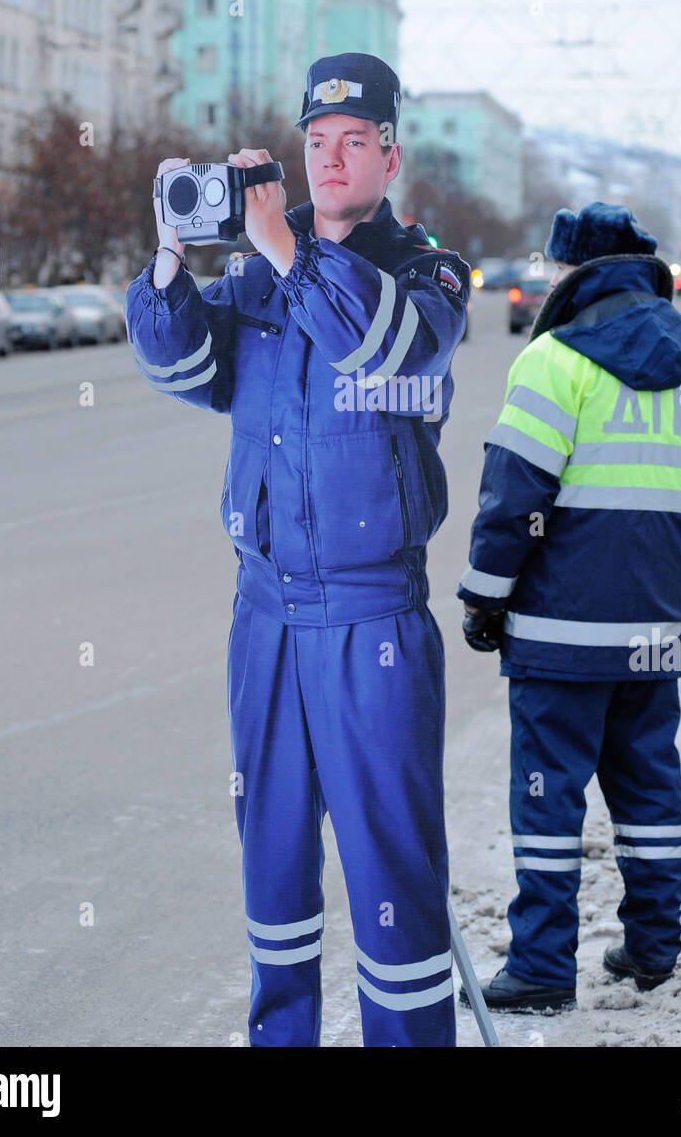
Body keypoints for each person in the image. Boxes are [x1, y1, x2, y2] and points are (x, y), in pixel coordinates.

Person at [125, 53, 471, 1047]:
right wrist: (169, 263)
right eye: (315, 144)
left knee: (391, 875)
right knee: (273, 858)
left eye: (353, 142)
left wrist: (280, 245)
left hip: (373, 623)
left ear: (389, 156)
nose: (330, 160)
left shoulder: (427, 272)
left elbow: (384, 343)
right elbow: (189, 369)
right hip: (267, 617)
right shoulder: (259, 273)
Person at [456, 202, 681, 1012]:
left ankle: (543, 967)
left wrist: (484, 597)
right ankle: (653, 946)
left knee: (547, 796)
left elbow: (513, 496)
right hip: (653, 635)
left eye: (551, 268)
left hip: (559, 636)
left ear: (573, 272)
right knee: (648, 789)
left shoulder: (552, 362)